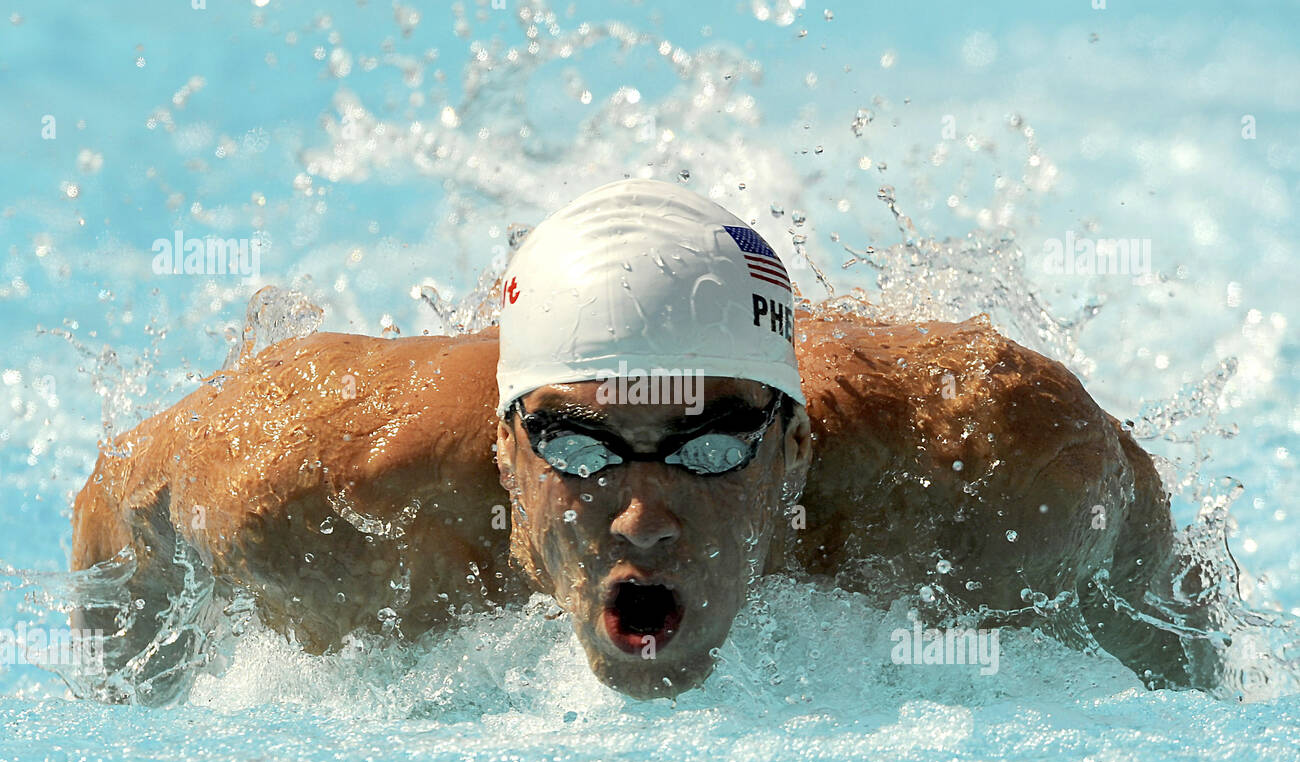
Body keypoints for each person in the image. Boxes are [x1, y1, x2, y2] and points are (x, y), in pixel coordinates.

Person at [69, 179, 1212, 704]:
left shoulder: (999, 475)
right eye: (578, 448)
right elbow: (116, 499)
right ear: (505, 446)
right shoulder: (338, 497)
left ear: (800, 453)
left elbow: (1189, 659)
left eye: (711, 447)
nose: (642, 515)